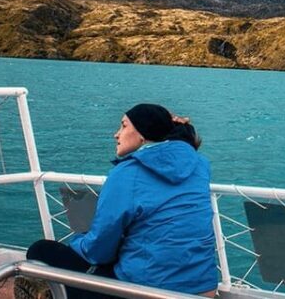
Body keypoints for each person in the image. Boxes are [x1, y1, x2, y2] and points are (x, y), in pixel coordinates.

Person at [21, 103, 217, 298]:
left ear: (142, 134)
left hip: (148, 291)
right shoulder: (200, 165)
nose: (117, 134)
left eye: (124, 126)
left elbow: (99, 250)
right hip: (204, 288)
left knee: (42, 250)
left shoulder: (127, 173)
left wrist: (79, 241)